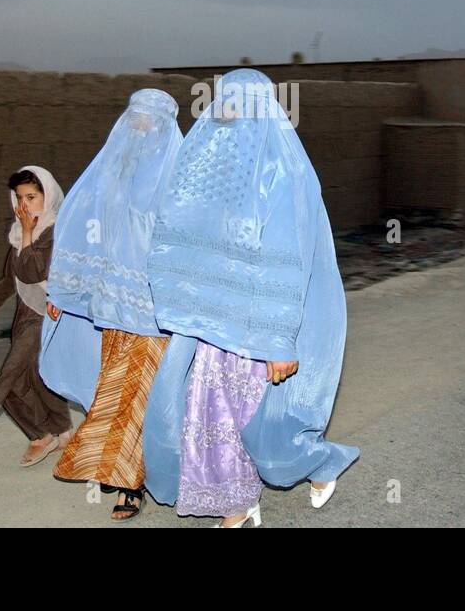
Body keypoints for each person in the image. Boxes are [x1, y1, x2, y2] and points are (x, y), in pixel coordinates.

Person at [142, 68, 358, 527]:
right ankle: (238, 503)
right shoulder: (207, 166)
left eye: (240, 103)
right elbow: (177, 237)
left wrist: (278, 339)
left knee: (261, 423)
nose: (229, 113)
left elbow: (289, 258)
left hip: (259, 324)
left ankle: (319, 462)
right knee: (209, 416)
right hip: (213, 324)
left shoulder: (283, 173)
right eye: (225, 102)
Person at [41, 89, 184, 520]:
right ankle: (125, 472)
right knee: (116, 391)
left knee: (140, 395)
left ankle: (129, 481)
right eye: (134, 119)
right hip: (112, 310)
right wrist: (62, 292)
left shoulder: (178, 179)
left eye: (151, 122)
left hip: (155, 313)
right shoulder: (108, 175)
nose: (140, 129)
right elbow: (80, 233)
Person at [0, 165, 73, 467]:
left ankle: (39, 435)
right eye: (19, 198)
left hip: (46, 316)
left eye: (31, 197)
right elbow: (11, 275)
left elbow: (31, 270)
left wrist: (28, 233)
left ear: (48, 195)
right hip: (24, 316)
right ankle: (62, 430)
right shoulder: (20, 234)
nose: (24, 206)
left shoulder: (56, 232)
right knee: (36, 377)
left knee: (9, 378)